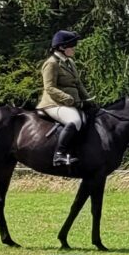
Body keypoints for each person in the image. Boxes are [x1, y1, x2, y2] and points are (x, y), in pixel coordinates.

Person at [38, 29, 91, 174]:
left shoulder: (70, 62)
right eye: (71, 46)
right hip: (54, 103)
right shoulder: (51, 63)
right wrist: (67, 98)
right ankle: (59, 155)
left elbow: (78, 84)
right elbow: (49, 87)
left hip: (72, 103)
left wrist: (88, 100)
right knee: (75, 121)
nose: (74, 49)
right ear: (62, 47)